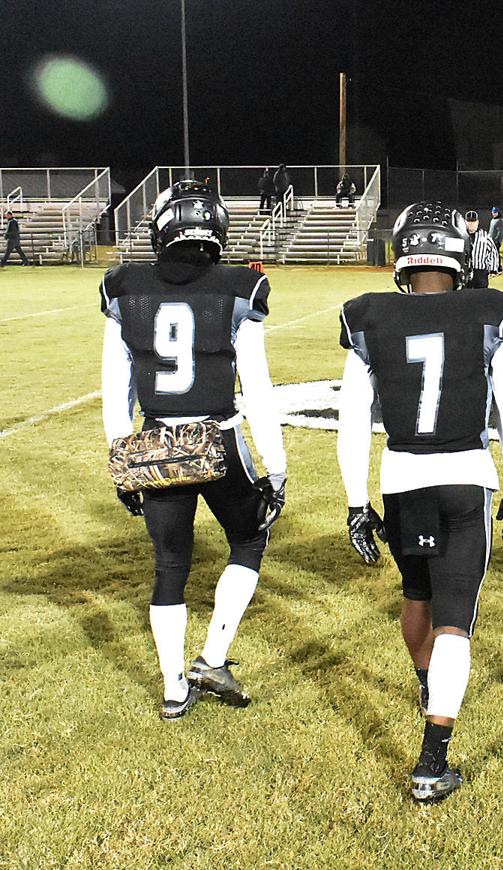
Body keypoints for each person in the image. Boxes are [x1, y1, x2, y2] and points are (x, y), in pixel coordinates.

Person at [337, 200, 503, 804]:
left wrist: (354, 500)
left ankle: (428, 684)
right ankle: (432, 757)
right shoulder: (489, 313)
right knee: (456, 617)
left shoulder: (369, 318)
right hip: (463, 476)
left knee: (416, 595)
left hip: (401, 478)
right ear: (456, 256)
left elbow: (351, 423)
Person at [100, 180, 287, 720]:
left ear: (161, 228)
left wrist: (123, 460)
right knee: (250, 538)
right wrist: (275, 466)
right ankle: (214, 657)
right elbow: (258, 386)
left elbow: (117, 388)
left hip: (157, 442)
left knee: (169, 565)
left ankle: (174, 688)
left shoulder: (125, 287)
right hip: (219, 438)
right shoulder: (236, 288)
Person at [464, 210, 501, 289]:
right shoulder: (462, 235)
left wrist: (493, 269)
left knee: (481, 294)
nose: (471, 224)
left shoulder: (485, 236)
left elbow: (493, 252)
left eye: (473, 221)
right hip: (465, 271)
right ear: (465, 222)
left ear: (477, 222)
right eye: (469, 221)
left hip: (481, 271)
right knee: (466, 294)